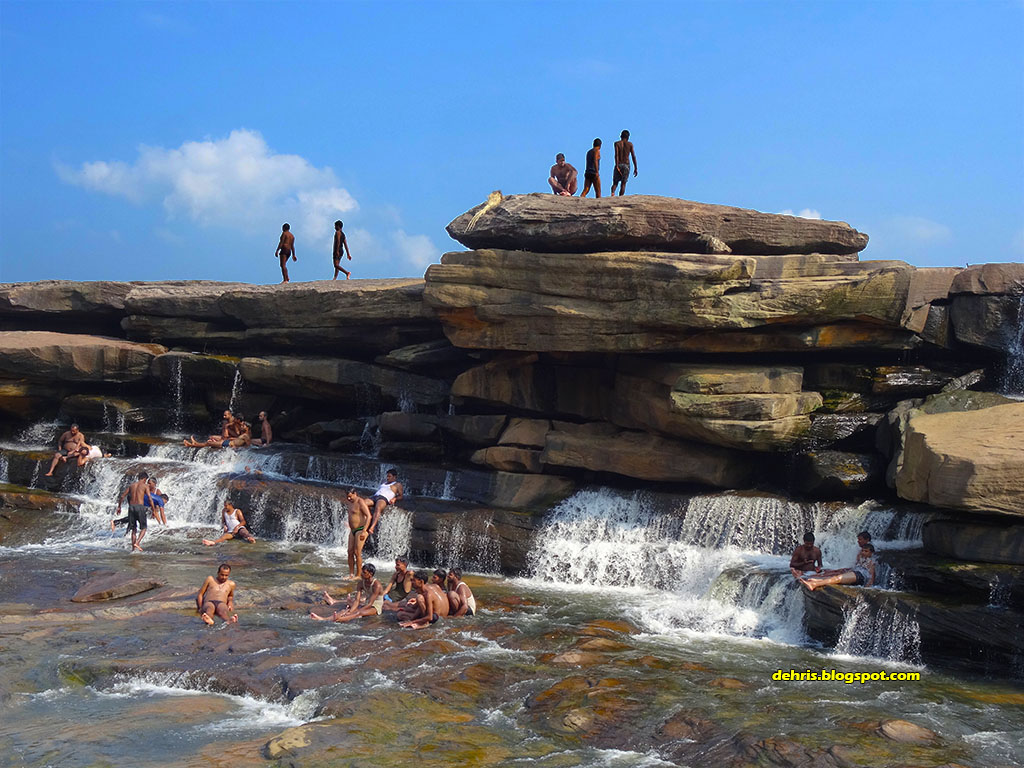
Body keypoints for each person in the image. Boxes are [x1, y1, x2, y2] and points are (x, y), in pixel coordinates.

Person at [311, 563, 384, 623]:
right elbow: (357, 600)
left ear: (370, 574)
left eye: (364, 573)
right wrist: (351, 611)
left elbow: (370, 604)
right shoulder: (361, 583)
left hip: (376, 606)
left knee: (358, 613)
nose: (361, 574)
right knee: (346, 611)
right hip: (367, 604)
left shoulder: (376, 585)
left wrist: (355, 611)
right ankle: (323, 619)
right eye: (362, 572)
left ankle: (337, 620)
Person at [799, 543, 876, 591]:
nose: (863, 552)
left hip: (860, 577)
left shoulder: (871, 562)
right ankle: (817, 581)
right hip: (856, 573)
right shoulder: (861, 559)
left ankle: (814, 584)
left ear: (871, 553)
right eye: (862, 550)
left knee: (838, 578)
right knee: (837, 576)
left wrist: (866, 588)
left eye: (866, 551)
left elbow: (871, 577)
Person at [337, 488, 372, 580]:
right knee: (349, 552)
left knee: (357, 553)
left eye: (350, 496)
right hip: (352, 530)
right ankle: (351, 574)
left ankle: (358, 575)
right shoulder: (350, 502)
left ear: (355, 493)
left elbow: (369, 516)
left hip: (361, 529)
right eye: (347, 496)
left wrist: (365, 531)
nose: (348, 498)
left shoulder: (360, 502)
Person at [113, 471, 150, 552]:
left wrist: (119, 507)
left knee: (134, 530)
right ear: (144, 479)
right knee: (144, 528)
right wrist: (154, 510)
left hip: (131, 508)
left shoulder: (131, 486)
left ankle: (133, 549)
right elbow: (150, 498)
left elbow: (122, 496)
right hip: (140, 507)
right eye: (146, 480)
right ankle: (137, 542)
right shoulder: (145, 486)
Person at [366, 468, 403, 536]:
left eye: (389, 476)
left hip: (383, 498)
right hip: (375, 496)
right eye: (387, 476)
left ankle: (372, 527)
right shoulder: (384, 482)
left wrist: (394, 498)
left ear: (394, 477)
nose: (387, 478)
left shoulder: (397, 484)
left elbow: (401, 496)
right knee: (361, 503)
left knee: (378, 508)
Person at [610, 130, 638, 196]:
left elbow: (616, 155)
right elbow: (633, 156)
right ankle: (620, 197)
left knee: (615, 183)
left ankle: (613, 193)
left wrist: (617, 165)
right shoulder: (630, 144)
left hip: (619, 164)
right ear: (628, 137)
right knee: (623, 183)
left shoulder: (617, 143)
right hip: (626, 165)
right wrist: (635, 168)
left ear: (621, 136)